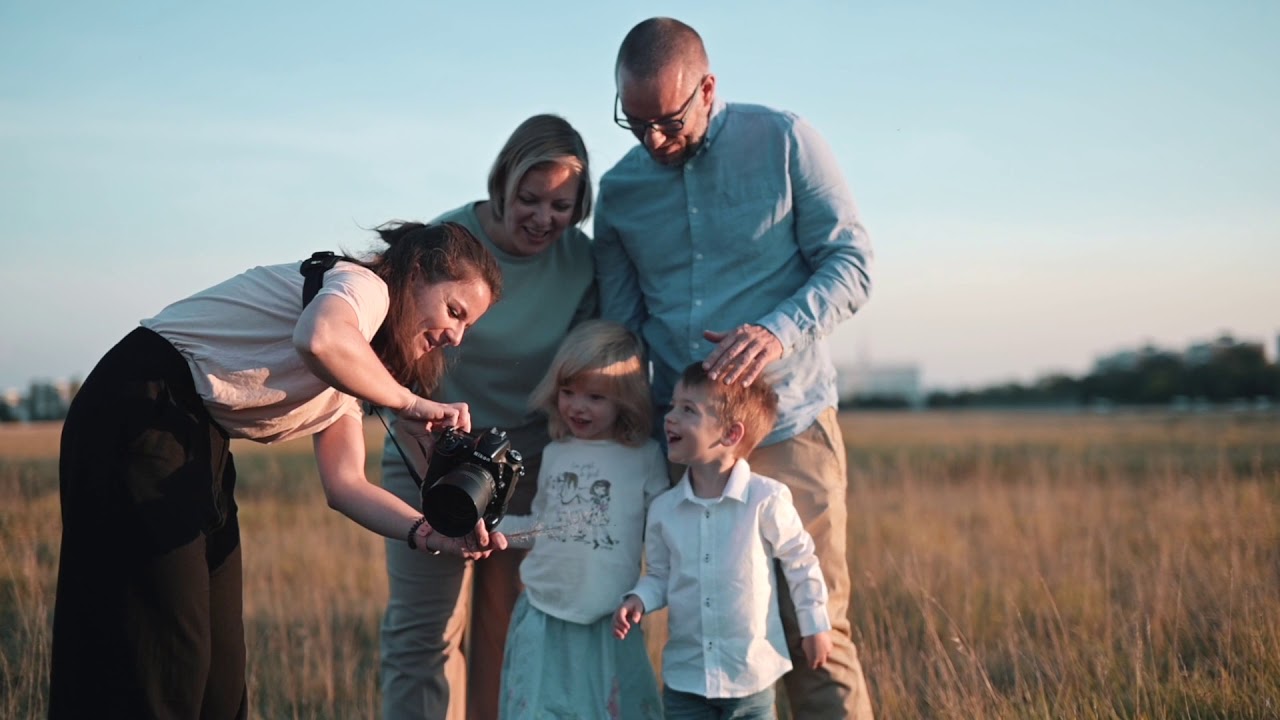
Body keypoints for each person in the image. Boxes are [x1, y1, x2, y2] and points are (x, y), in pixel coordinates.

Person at [48, 221, 510, 719]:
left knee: (218, 675)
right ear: (416, 273)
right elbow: (320, 337)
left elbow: (346, 485)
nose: (455, 337)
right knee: (163, 654)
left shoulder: (352, 369)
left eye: (467, 327)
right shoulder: (362, 286)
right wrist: (408, 402)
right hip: (142, 407)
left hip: (195, 435)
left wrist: (431, 533)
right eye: (454, 311)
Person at [593, 16, 875, 718]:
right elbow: (624, 331)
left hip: (792, 430)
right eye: (635, 124)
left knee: (816, 630)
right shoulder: (620, 193)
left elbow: (853, 263)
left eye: (667, 120)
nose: (653, 141)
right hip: (685, 451)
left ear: (708, 88)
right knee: (708, 630)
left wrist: (777, 334)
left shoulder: (784, 141)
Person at [379, 114, 598, 720]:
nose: (543, 217)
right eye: (529, 198)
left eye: (562, 204)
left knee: (508, 633)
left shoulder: (583, 262)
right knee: (424, 635)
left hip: (525, 462)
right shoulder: (448, 240)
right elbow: (389, 351)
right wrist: (423, 447)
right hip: (426, 448)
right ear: (501, 182)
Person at [614, 363, 833, 720]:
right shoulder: (664, 509)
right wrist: (639, 598)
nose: (670, 418)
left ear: (731, 434)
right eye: (672, 405)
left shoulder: (766, 499)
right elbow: (658, 576)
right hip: (686, 681)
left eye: (688, 410)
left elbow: (801, 561)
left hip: (751, 678)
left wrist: (815, 625)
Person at [493, 319, 667, 719]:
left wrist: (649, 594)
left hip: (607, 620)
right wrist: (493, 530)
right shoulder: (557, 452)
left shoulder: (644, 457)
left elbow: (662, 541)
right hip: (542, 612)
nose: (576, 406)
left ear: (625, 400)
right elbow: (542, 525)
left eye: (594, 397)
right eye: (567, 392)